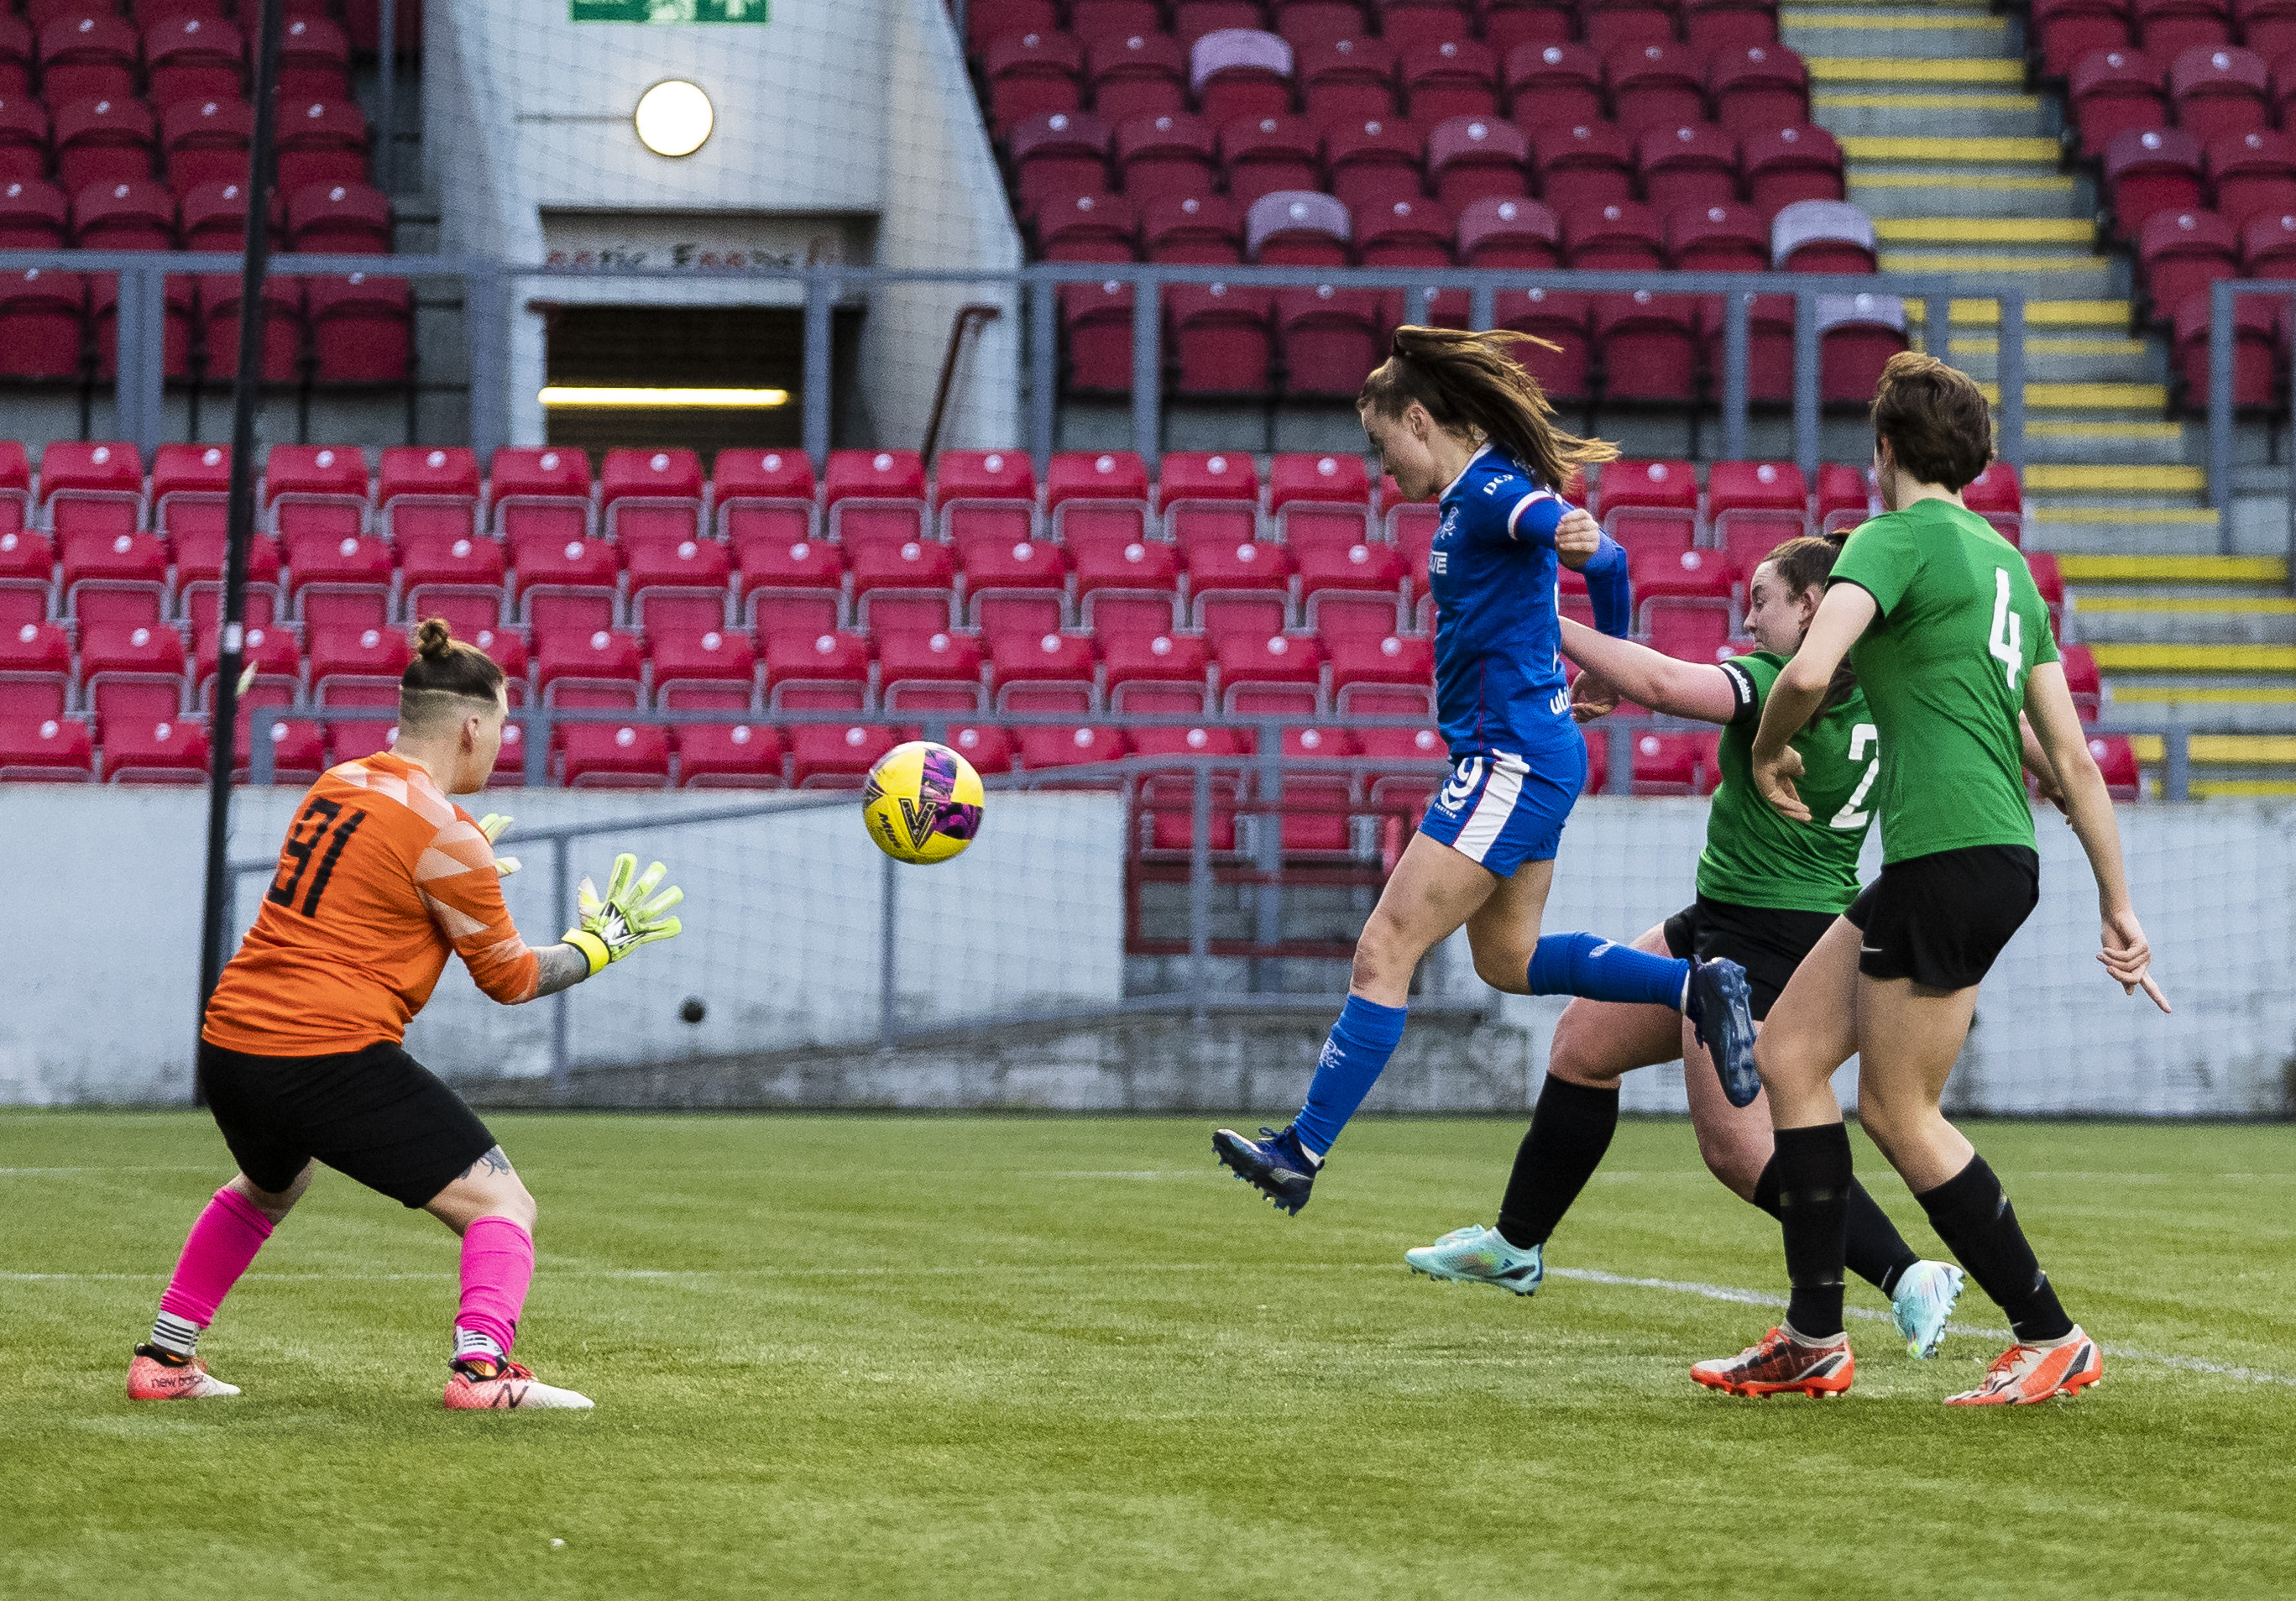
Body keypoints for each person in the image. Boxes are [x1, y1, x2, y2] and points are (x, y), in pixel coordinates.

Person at [1692, 353, 2170, 1405]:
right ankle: (1813, 1334)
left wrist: (1770, 748)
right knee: (1786, 1053)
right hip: (1977, 855)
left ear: (1887, 451)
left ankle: (2049, 1332)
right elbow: (2074, 758)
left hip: (1947, 858)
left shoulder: (1890, 538)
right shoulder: (2005, 564)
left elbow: (1811, 669)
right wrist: (2117, 901)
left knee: (1898, 1112)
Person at [1214, 327, 1758, 1215]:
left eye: (1379, 440)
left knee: (1382, 948)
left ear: (1418, 419)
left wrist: (1584, 584)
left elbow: (1598, 549)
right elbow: (1584, 554)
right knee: (1505, 960)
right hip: (1528, 755)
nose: (1379, 464)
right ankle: (1697, 985)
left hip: (1507, 759)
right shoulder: (1476, 496)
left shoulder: (1490, 492)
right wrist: (1597, 655)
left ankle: (1301, 1148)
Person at [1399, 535, 1965, 1358]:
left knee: (1739, 1152)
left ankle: (1906, 1273)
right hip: (1734, 917)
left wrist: (1540, 615)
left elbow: (1664, 683)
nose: (1748, 616)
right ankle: (1515, 1243)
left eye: (1762, 599)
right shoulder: (1887, 692)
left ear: (1812, 607)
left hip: (1759, 939)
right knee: (1583, 1044)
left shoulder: (1781, 682)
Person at [128, 620, 686, 1411]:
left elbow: (366, 895)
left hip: (231, 1039)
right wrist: (598, 945)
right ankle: (482, 1371)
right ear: (471, 725)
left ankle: (164, 1358)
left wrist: (456, 867)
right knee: (502, 1204)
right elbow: (511, 977)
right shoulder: (445, 833)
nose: (499, 743)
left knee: (270, 1184)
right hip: (324, 1053)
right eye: (500, 726)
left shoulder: (341, 782)